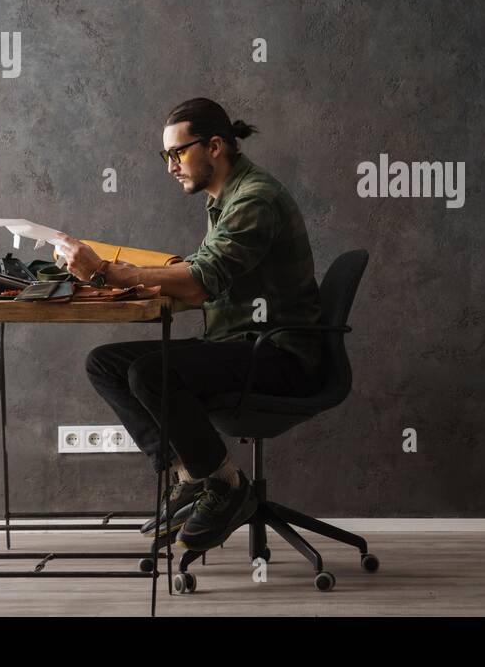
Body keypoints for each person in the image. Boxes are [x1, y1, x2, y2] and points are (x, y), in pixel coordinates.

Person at [55, 97, 324, 555]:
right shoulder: (226, 198)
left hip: (280, 355)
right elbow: (204, 274)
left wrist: (108, 273)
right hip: (243, 342)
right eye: (166, 156)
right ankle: (192, 474)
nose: (170, 166)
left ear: (215, 146)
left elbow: (201, 283)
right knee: (105, 363)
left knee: (147, 372)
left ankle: (225, 485)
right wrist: (132, 280)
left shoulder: (255, 199)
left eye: (177, 153)